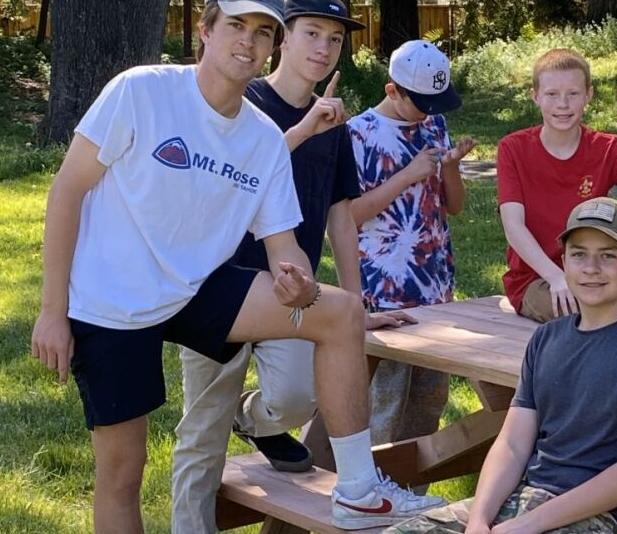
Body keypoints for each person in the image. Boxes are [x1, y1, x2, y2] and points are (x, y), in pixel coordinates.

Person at [30, 1, 441, 531]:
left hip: (199, 285)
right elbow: (66, 191)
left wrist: (295, 279)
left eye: (262, 32)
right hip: (113, 299)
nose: (248, 41)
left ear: (274, 45)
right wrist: (51, 311)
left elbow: (283, 247)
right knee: (122, 473)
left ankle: (359, 489)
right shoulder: (142, 91)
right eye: (236, 26)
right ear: (204, 30)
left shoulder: (264, 138)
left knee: (339, 312)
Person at [169, 2, 433, 532]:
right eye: (311, 33)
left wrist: (357, 305)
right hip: (214, 291)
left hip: (288, 290)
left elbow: (340, 212)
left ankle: (251, 417)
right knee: (202, 442)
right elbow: (225, 187)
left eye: (334, 40)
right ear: (281, 40)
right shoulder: (242, 102)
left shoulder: (331, 119)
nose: (322, 48)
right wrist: (303, 132)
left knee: (295, 399)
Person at [386, 196, 617, 534]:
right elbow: (513, 445)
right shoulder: (547, 338)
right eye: (579, 255)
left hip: (605, 518)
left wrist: (526, 527)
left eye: (608, 256)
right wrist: (479, 520)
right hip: (526, 500)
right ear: (563, 263)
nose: (591, 268)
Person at [346, 40, 474, 447]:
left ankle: (411, 487)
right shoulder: (359, 134)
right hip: (385, 292)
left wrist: (450, 168)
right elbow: (348, 216)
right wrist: (408, 174)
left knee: (427, 400)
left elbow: (453, 205)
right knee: (387, 402)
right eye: (420, 102)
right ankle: (373, 486)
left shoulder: (434, 123)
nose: (429, 112)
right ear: (391, 90)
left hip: (434, 285)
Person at [497, 48, 617, 324]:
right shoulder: (513, 148)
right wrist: (556, 276)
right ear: (535, 96)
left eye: (573, 93)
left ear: (588, 96)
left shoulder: (605, 147)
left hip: (599, 271)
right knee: (580, 311)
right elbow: (514, 226)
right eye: (551, 94)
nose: (563, 104)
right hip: (539, 278)